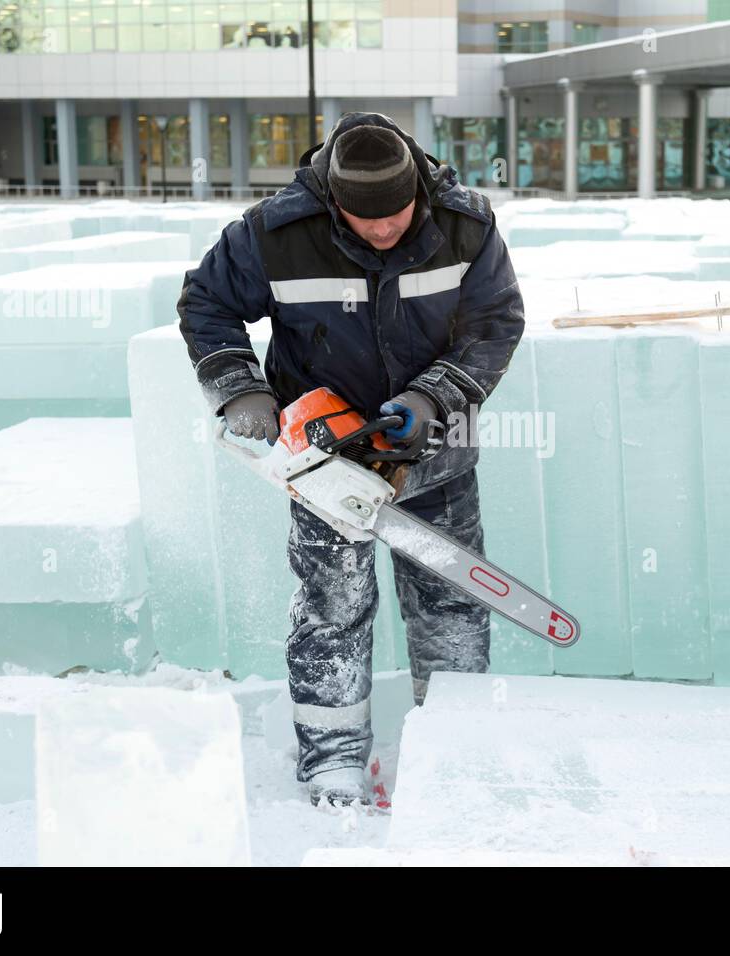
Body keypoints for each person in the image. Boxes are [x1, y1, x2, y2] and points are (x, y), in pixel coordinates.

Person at [177, 112, 525, 808]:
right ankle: (332, 759)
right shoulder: (273, 233)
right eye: (366, 220)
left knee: (450, 606)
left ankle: (451, 751)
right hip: (324, 463)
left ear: (418, 193)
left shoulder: (466, 226)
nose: (384, 230)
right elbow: (206, 301)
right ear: (333, 202)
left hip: (436, 454)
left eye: (396, 215)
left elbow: (495, 324)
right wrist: (239, 387)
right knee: (333, 608)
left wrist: (433, 398)